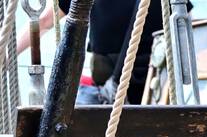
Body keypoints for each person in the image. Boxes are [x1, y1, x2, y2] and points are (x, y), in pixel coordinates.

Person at [17, 0, 181, 106]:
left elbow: (46, 21)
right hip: (121, 83)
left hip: (150, 81)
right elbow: (184, 23)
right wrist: (9, 54)